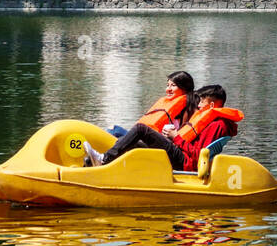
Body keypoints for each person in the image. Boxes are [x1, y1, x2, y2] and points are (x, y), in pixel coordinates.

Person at [84, 85, 243, 172]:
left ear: (212, 105)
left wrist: (175, 137)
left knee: (141, 129)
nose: (199, 105)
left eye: (202, 101)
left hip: (185, 162)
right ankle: (99, 166)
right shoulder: (213, 122)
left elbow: (197, 154)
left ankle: (104, 159)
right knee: (135, 144)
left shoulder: (218, 125)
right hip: (181, 153)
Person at [111, 71, 195, 137]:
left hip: (158, 145)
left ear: (184, 88)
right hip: (145, 137)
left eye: (173, 85)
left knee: (116, 131)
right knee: (114, 130)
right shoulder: (167, 104)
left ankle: (104, 156)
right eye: (167, 85)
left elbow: (180, 135)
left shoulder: (187, 110)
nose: (168, 89)